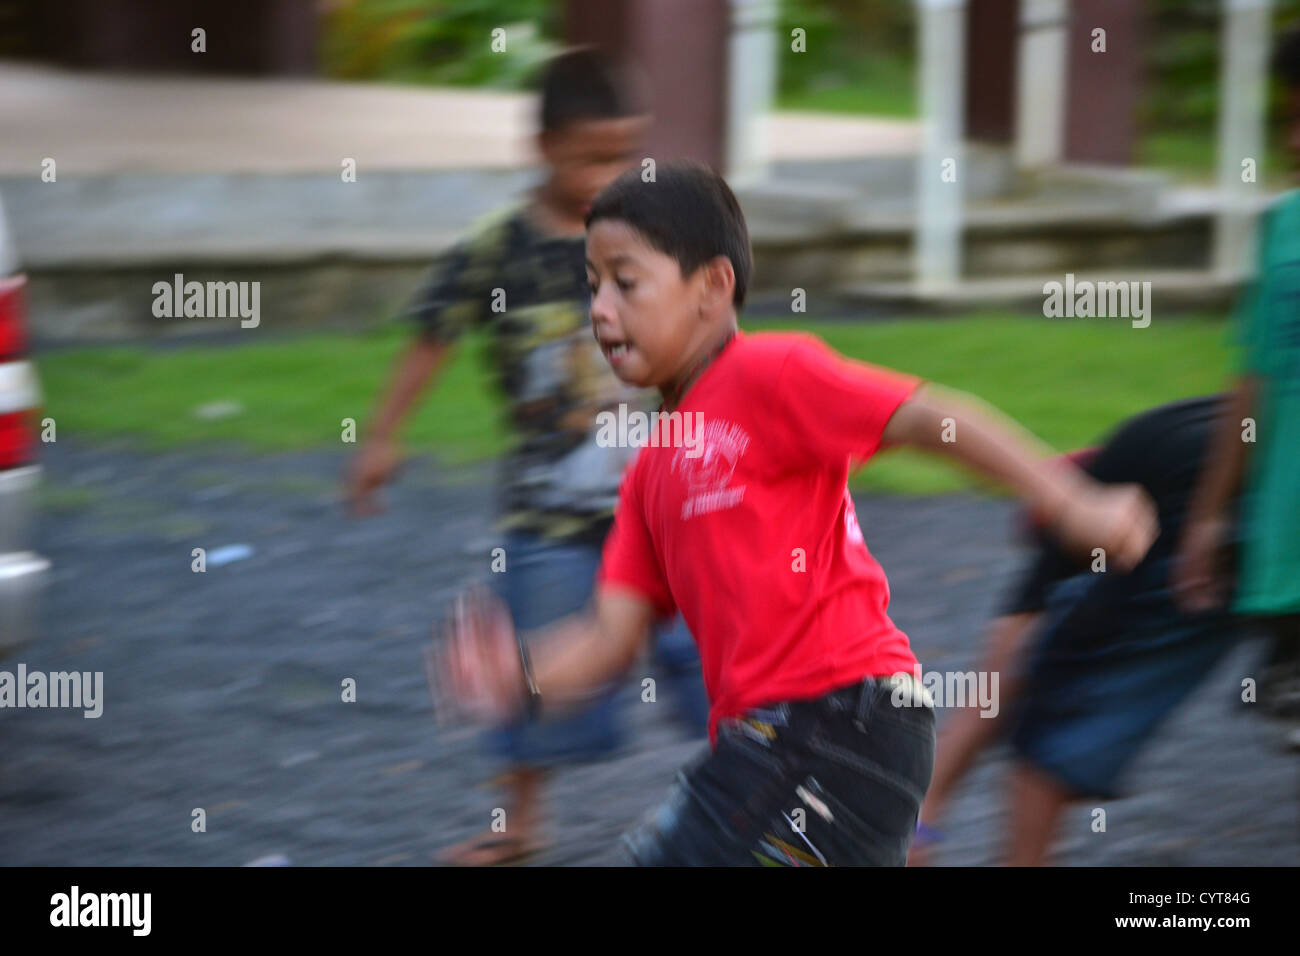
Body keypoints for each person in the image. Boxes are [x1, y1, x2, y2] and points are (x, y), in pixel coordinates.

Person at [434, 161, 1159, 866]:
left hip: (838, 719)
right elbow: (608, 637)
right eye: (591, 286)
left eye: (626, 282)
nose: (598, 308)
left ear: (714, 287)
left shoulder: (768, 375)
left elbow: (928, 415)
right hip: (789, 744)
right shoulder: (648, 474)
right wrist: (522, 676)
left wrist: (1069, 499)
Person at [347, 49, 709, 866]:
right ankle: (519, 826)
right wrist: (382, 436)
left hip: (661, 504)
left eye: (622, 154)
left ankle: (759, 791)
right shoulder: (496, 249)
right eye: (590, 156)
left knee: (715, 653)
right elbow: (432, 333)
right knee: (532, 657)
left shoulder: (647, 235)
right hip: (550, 513)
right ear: (541, 147)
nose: (607, 173)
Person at [912, 395, 1245, 866]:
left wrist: (926, 815)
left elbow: (989, 691)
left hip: (1192, 473)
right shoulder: (1093, 503)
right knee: (1055, 713)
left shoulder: (1078, 517)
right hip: (1211, 457)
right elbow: (993, 689)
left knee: (1053, 712)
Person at [1175, 27, 1300, 742]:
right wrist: (1210, 514)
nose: (1294, 136)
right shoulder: (1281, 228)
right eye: (1289, 114)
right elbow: (1252, 383)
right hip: (1288, 558)